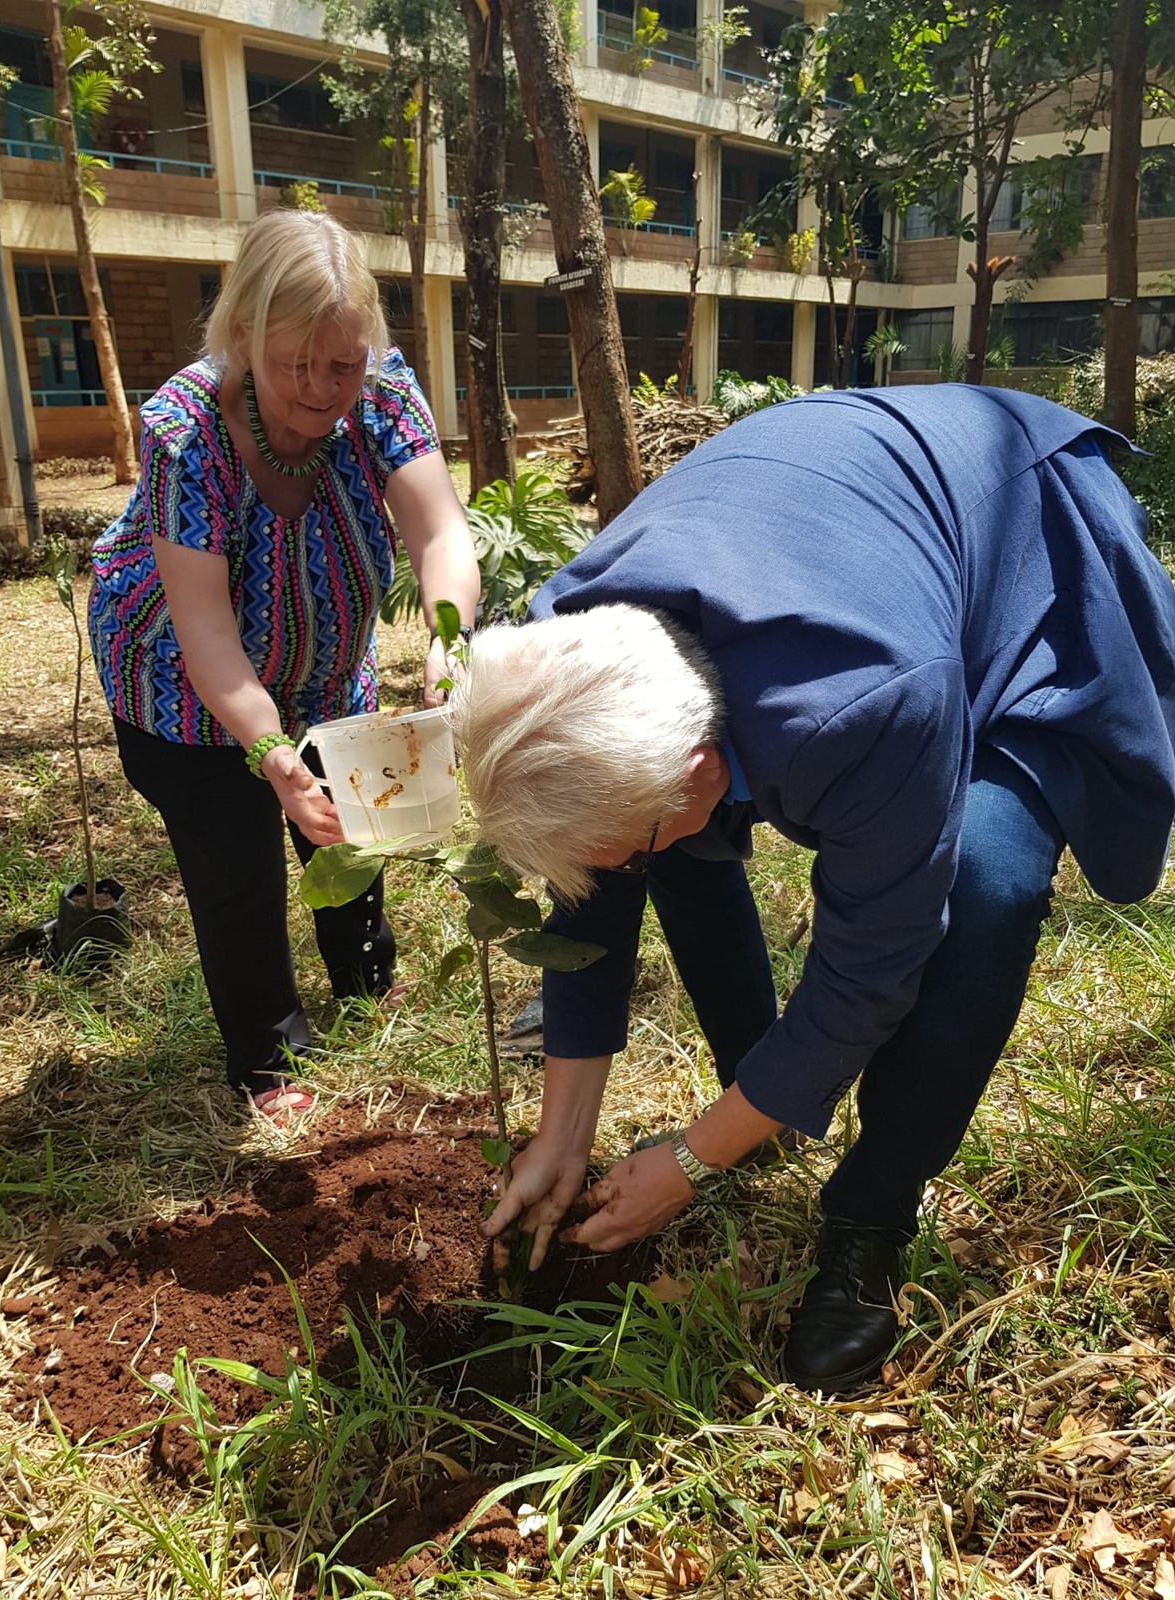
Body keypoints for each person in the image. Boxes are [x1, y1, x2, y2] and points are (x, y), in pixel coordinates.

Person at [450, 383, 1175, 1394]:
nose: (613, 873)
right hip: (845, 529)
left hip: (1022, 535)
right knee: (642, 848)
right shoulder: (561, 653)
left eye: (636, 839)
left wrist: (694, 1158)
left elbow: (868, 972)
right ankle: (766, 1095)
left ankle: (870, 1218)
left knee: (987, 885)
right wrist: (562, 1135)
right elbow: (595, 894)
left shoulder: (866, 702)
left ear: (704, 769)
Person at [89, 211, 479, 1119]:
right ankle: (268, 1058)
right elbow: (207, 633)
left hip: (323, 668)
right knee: (238, 858)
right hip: (184, 692)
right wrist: (270, 754)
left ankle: (368, 979)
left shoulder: (379, 395)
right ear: (242, 340)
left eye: (339, 365)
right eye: (290, 365)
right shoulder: (189, 433)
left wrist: (450, 641)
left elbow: (439, 528)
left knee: (351, 822)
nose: (318, 389)